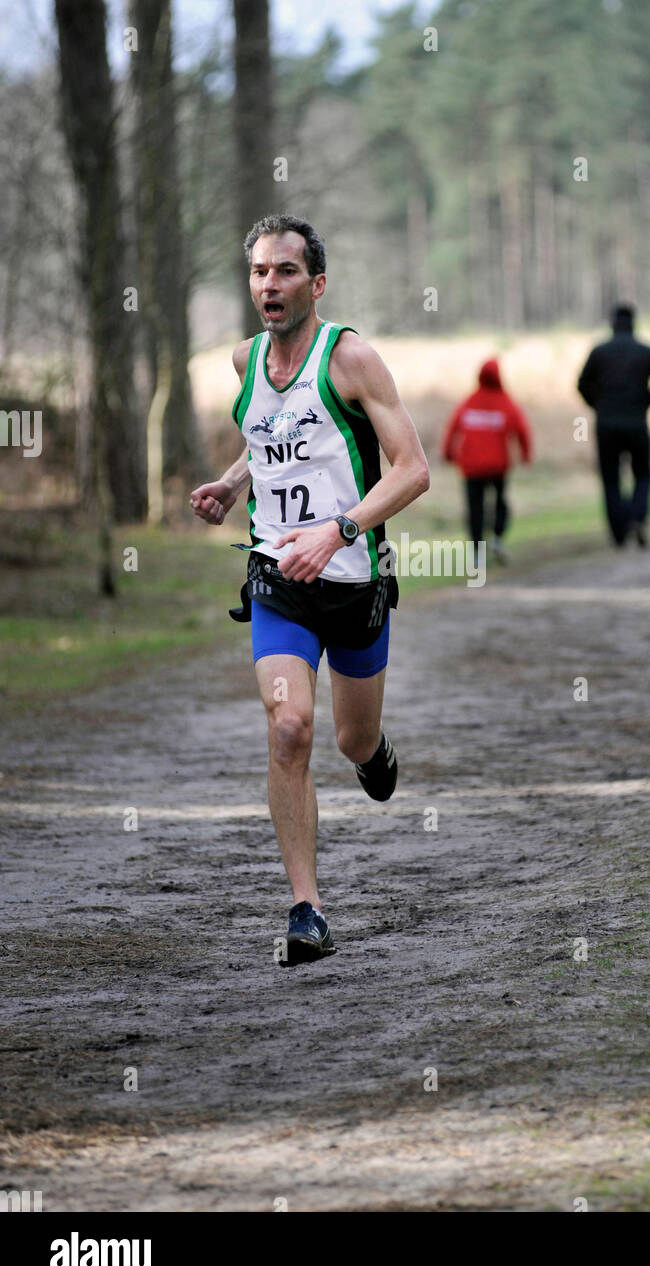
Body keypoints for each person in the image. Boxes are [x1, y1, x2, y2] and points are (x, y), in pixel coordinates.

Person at [190, 215, 429, 964]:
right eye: (259, 272)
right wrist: (232, 485)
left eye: (285, 272)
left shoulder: (350, 358)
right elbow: (268, 436)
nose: (269, 284)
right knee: (289, 727)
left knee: (349, 737)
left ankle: (371, 751)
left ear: (315, 284)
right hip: (276, 577)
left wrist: (341, 530)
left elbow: (412, 468)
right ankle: (306, 910)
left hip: (352, 578)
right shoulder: (244, 360)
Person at [577, 303, 650, 547]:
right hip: (636, 422)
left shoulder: (599, 351)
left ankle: (619, 533)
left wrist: (598, 405)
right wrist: (647, 401)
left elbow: (582, 383)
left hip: (606, 424)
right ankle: (637, 517)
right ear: (633, 323)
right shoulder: (645, 351)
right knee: (643, 474)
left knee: (610, 478)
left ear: (612, 323)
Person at [440, 357, 532, 563]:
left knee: (475, 508)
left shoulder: (469, 402)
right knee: (500, 502)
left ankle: (477, 550)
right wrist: (525, 455)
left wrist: (448, 454)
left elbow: (452, 429)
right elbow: (522, 430)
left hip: (471, 466)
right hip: (498, 466)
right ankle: (498, 538)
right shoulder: (506, 402)